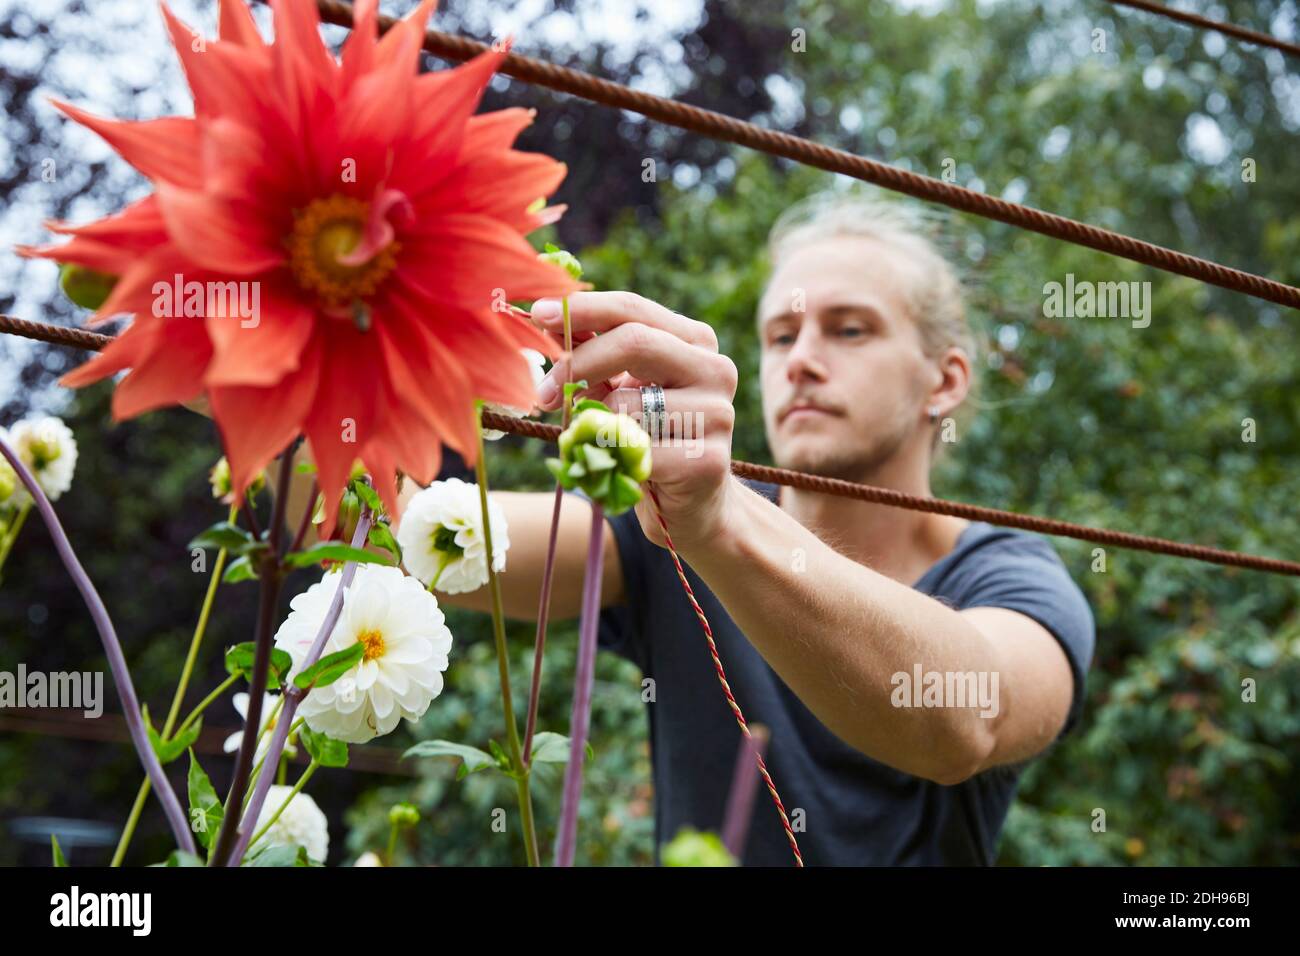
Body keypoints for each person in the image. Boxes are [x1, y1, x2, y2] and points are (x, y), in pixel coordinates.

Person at [308, 193, 1096, 866]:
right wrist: (292, 333)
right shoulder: (660, 531)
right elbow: (387, 522)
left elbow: (964, 722)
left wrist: (716, 520)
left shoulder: (1014, 577)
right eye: (782, 337)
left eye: (850, 330)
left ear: (944, 380)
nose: (802, 361)